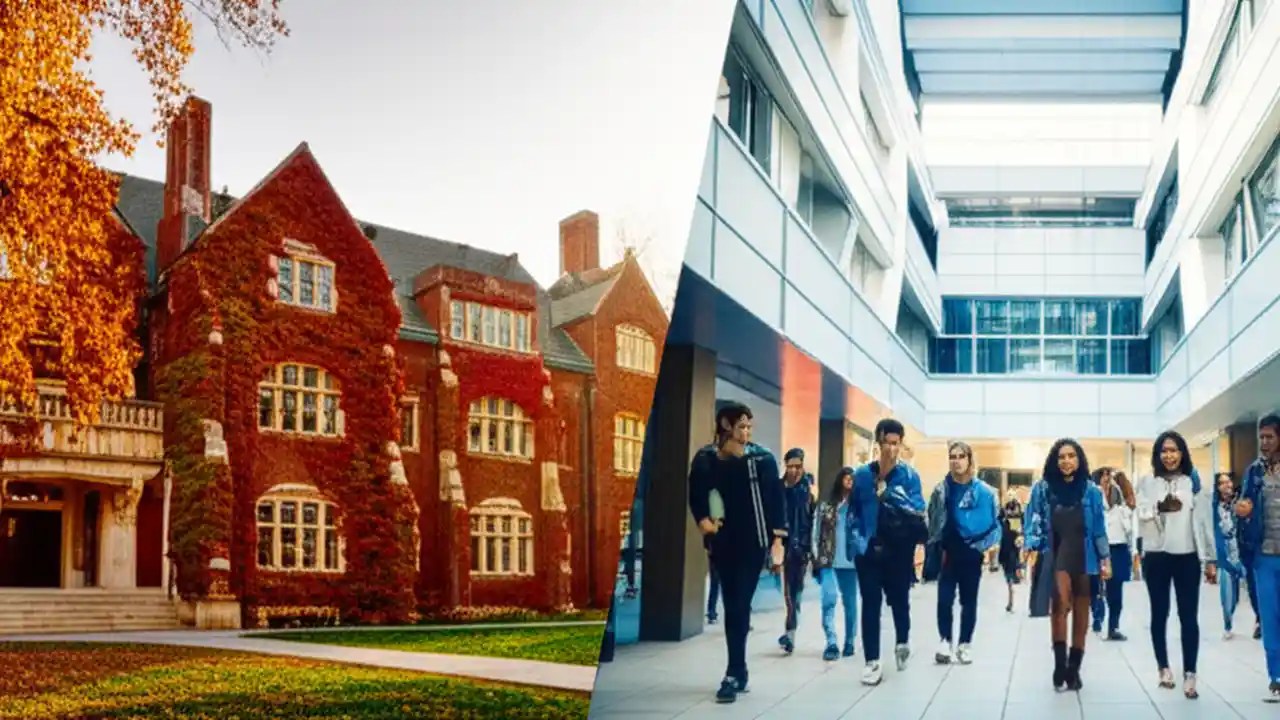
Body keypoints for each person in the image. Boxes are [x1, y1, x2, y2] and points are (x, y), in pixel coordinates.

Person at [688, 402, 786, 704]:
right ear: (725, 426)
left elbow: (775, 501)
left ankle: (733, 670)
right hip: (722, 543)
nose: (745, 432)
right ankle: (739, 669)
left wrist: (777, 541)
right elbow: (696, 492)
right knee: (732, 603)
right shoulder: (706, 459)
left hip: (754, 542)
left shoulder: (762, 460)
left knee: (740, 602)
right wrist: (704, 522)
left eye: (749, 426)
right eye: (740, 426)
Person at [1023, 438, 1111, 692]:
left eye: (1071, 456)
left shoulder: (1092, 491)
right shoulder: (1043, 488)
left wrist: (1105, 559)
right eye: (1061, 457)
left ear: (1079, 459)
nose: (1066, 461)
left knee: (1083, 610)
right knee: (1060, 605)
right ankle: (1059, 663)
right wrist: (1030, 545)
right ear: (1054, 460)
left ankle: (1074, 667)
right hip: (1056, 554)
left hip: (1086, 556)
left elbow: (1099, 529)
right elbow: (1034, 519)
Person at [1135, 430, 1215, 700]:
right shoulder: (1147, 481)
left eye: (1174, 450)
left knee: (1188, 616)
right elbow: (1141, 513)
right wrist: (1159, 508)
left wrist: (1210, 558)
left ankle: (1190, 673)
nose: (1169, 456)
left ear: (1183, 453)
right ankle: (1163, 668)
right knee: (1159, 613)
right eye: (1164, 451)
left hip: (1187, 555)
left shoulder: (1192, 481)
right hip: (1157, 554)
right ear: (1158, 455)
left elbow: (1204, 521)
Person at [848, 418, 927, 686]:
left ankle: (902, 641)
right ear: (878, 443)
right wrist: (856, 544)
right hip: (869, 551)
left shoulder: (909, 476)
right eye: (887, 443)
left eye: (896, 444)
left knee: (899, 601)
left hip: (898, 551)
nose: (892, 449)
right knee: (870, 603)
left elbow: (918, 510)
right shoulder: (861, 475)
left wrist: (891, 495)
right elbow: (854, 511)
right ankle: (872, 660)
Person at [927, 441, 1001, 665]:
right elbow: (932, 520)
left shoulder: (984, 493)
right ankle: (945, 641)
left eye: (960, 456)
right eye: (952, 456)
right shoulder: (941, 490)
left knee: (969, 601)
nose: (956, 460)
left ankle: (964, 644)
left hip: (971, 554)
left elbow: (993, 524)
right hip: (947, 553)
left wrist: (984, 549)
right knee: (944, 600)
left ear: (969, 460)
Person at [1235, 414, 1280, 703]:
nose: (1264, 442)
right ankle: (1276, 677)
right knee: (1270, 618)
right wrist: (1242, 510)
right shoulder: (1253, 472)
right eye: (1261, 437)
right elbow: (1243, 506)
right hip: (1264, 557)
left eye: (1269, 437)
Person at [810, 466, 858, 661]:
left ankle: (850, 641)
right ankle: (831, 641)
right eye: (846, 479)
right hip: (828, 559)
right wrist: (816, 555)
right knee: (828, 599)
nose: (849, 482)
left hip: (851, 561)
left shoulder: (858, 507)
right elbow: (816, 532)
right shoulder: (826, 506)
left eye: (852, 480)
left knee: (850, 603)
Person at [778, 448, 815, 655]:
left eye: (798, 467)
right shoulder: (778, 488)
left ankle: (790, 633)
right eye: (790, 466)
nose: (794, 471)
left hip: (800, 548)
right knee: (788, 594)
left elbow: (811, 522)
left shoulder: (808, 492)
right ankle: (790, 631)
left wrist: (809, 549)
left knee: (794, 593)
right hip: (780, 545)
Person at [1213, 471, 1252, 640]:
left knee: (1242, 594)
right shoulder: (1214, 506)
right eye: (1222, 483)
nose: (1226, 485)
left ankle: (1260, 622)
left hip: (1241, 552)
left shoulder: (1239, 501)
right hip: (1225, 554)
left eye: (1228, 482)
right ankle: (1227, 625)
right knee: (1227, 595)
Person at [1098, 470, 1135, 641]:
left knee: (1115, 592)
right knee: (1100, 589)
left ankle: (1113, 626)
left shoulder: (1122, 510)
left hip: (1118, 550)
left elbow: (1129, 530)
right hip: (1103, 550)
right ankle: (1099, 621)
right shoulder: (1099, 510)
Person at [998, 490, 1025, 614]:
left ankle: (1011, 595)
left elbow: (1022, 527)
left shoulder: (1019, 512)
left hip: (1014, 545)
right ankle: (1011, 594)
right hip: (1006, 544)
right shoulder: (1002, 512)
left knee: (1012, 568)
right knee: (1007, 570)